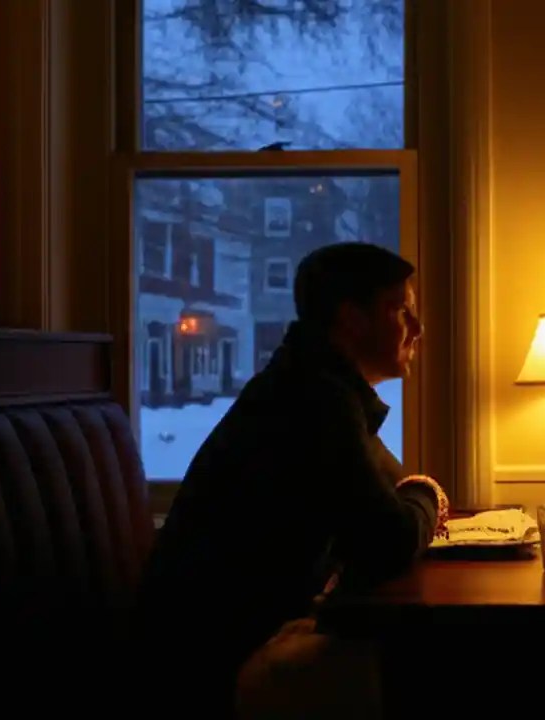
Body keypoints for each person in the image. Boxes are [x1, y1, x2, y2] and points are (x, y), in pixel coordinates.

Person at [136, 243, 448, 718]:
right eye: (400, 309)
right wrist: (429, 495)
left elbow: (385, 494)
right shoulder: (316, 399)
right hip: (216, 659)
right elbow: (388, 538)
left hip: (229, 631)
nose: (418, 328)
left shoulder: (315, 383)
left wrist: (414, 494)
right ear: (351, 319)